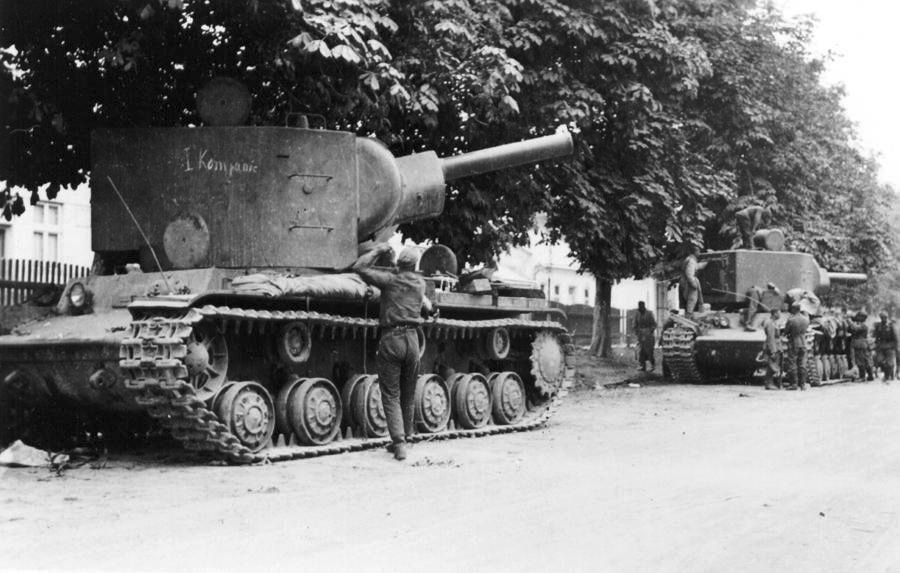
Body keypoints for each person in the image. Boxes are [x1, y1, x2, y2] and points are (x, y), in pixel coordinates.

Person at [352, 242, 436, 461]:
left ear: (399, 263)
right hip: (413, 339)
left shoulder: (390, 280)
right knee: (408, 392)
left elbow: (359, 268)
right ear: (415, 263)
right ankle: (405, 436)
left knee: (391, 394)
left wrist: (379, 251)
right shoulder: (420, 283)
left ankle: (399, 444)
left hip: (392, 340)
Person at [783, 302, 810, 391]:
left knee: (792, 363)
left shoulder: (791, 320)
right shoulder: (806, 319)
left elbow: (786, 332)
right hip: (803, 342)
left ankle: (794, 384)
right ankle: (803, 385)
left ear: (793, 309)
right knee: (802, 364)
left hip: (794, 342)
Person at [679, 251, 706, 317]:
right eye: (698, 251)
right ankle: (689, 314)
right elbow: (689, 273)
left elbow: (697, 267)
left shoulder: (689, 259)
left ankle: (690, 312)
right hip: (688, 283)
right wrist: (693, 283)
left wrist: (706, 262)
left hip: (684, 281)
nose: (699, 253)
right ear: (695, 252)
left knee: (689, 299)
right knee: (692, 298)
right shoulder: (691, 260)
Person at [762, 307, 783, 390]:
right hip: (773, 347)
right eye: (779, 313)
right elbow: (771, 338)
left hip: (777, 346)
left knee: (774, 365)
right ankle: (768, 383)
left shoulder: (774, 322)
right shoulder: (770, 323)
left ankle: (771, 383)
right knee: (772, 366)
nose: (780, 314)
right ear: (775, 314)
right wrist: (773, 351)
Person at [849, 311, 874, 381]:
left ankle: (863, 376)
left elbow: (854, 329)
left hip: (859, 344)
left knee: (861, 361)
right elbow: (850, 330)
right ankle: (870, 375)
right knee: (866, 360)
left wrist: (850, 322)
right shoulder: (861, 325)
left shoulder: (863, 326)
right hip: (861, 344)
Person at [633, 301, 657, 371]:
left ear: (644, 306)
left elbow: (654, 324)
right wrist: (637, 332)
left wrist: (650, 331)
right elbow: (634, 324)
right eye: (639, 306)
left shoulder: (649, 313)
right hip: (640, 335)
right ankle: (642, 366)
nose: (640, 308)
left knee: (649, 351)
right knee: (640, 351)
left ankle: (652, 365)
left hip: (648, 336)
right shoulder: (637, 314)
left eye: (641, 306)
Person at [873, 311, 897, 381]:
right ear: (880, 318)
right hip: (881, 346)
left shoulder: (891, 325)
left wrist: (895, 346)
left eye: (885, 317)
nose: (884, 319)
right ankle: (888, 373)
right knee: (879, 361)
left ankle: (888, 375)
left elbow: (895, 337)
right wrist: (876, 344)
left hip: (890, 346)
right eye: (882, 317)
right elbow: (876, 336)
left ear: (887, 317)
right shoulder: (878, 326)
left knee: (889, 363)